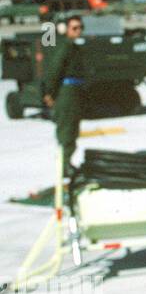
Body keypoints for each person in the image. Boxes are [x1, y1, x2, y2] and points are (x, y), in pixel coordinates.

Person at [43, 15, 88, 175]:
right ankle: (63, 167)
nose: (78, 31)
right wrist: (49, 92)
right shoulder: (65, 47)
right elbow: (54, 71)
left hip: (74, 93)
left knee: (72, 130)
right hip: (66, 94)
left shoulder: (74, 47)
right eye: (74, 28)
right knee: (67, 132)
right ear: (66, 29)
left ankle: (67, 164)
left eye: (80, 27)